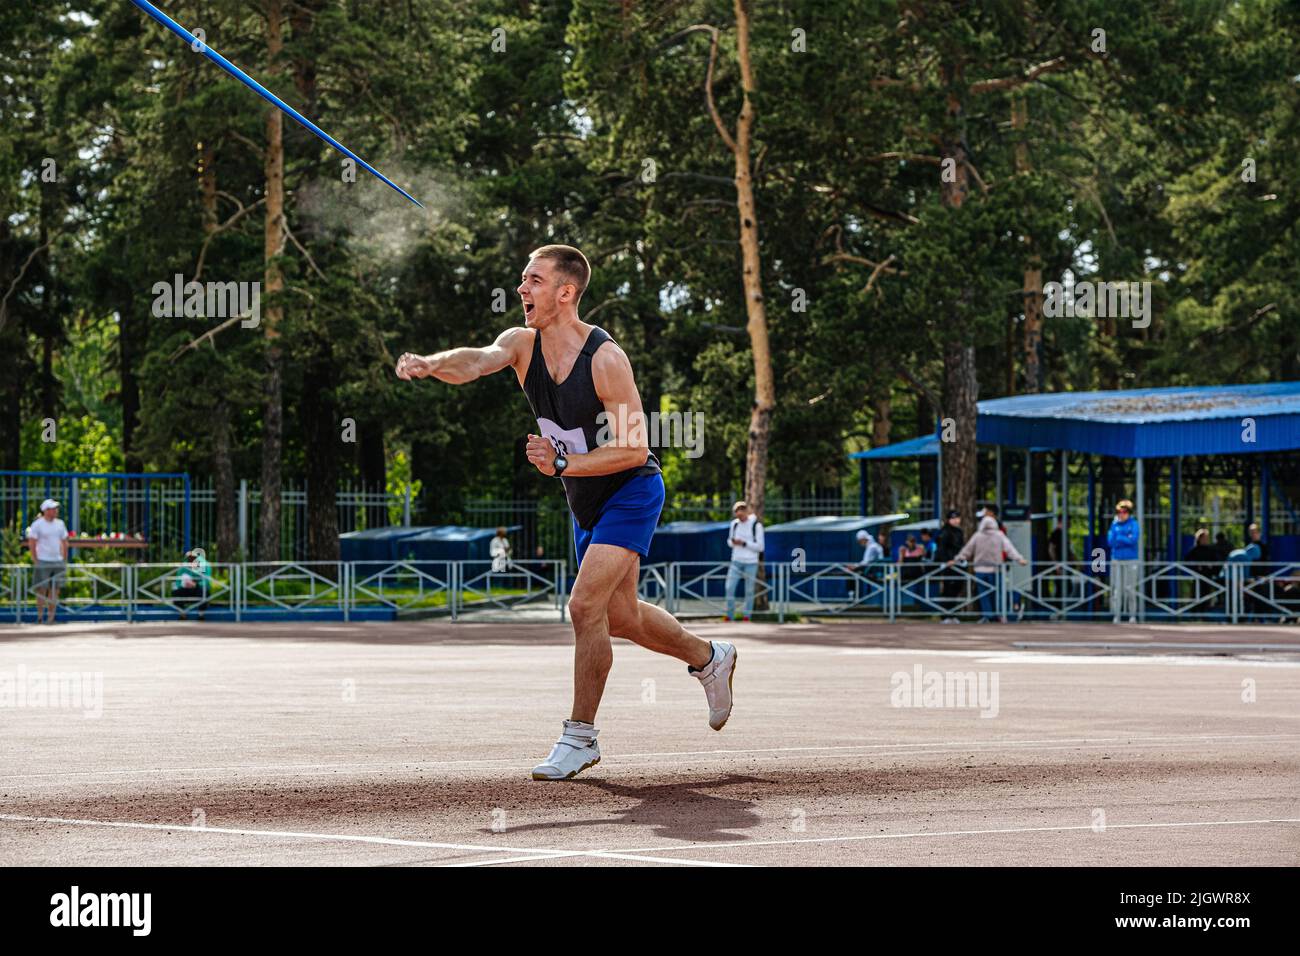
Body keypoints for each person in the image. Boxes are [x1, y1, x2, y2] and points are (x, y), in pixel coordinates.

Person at [395, 244, 734, 781]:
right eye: (522, 280)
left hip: (630, 491)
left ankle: (580, 736)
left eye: (533, 280)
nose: (522, 290)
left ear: (565, 291)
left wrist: (561, 462)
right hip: (585, 497)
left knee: (583, 607)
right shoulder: (521, 343)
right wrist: (430, 364)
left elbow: (632, 448)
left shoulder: (605, 358)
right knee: (620, 616)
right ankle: (709, 656)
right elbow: (477, 362)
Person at [947, 513, 1028, 623]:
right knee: (997, 593)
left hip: (980, 570)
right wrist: (1019, 559)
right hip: (995, 570)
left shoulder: (978, 535)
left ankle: (988, 615)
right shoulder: (999, 535)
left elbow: (967, 550)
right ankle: (998, 615)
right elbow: (1009, 549)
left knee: (984, 594)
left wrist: (956, 560)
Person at [27, 499, 69, 625]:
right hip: (43, 560)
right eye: (52, 508)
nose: (55, 510)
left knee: (55, 590)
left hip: (57, 561)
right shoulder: (38, 524)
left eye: (56, 508)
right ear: (45, 510)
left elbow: (64, 542)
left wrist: (64, 559)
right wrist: (35, 559)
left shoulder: (60, 523)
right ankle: (40, 617)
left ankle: (51, 618)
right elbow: (32, 542)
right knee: (42, 590)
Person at [723, 500, 763, 622]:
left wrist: (744, 543)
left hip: (751, 562)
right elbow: (729, 541)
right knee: (729, 587)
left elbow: (760, 547)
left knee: (749, 590)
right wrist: (733, 542)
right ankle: (730, 615)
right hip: (736, 560)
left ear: (746, 512)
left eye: (741, 514)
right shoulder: (734, 524)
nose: (739, 517)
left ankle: (747, 616)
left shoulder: (756, 525)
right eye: (737, 515)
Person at [1107, 499, 1141, 624]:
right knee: (1117, 589)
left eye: (1124, 511)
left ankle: (1132, 615)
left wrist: (1120, 537)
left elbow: (1133, 540)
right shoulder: (1114, 524)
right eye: (1119, 511)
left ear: (1129, 512)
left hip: (1131, 559)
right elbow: (1111, 542)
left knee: (1130, 589)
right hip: (1116, 559)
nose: (1121, 513)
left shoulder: (1134, 524)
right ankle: (1116, 615)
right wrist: (1124, 537)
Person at [934, 510, 965, 623]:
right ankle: (946, 614)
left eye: (958, 518)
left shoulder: (959, 532)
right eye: (953, 518)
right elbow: (941, 548)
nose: (956, 520)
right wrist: (947, 560)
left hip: (958, 564)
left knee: (956, 589)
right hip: (949, 565)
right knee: (948, 589)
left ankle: (953, 614)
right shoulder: (945, 532)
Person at [1183, 528, 1219, 611]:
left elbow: (1216, 562)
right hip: (1197, 577)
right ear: (1199, 538)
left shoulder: (1211, 549)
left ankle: (1205, 613)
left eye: (1207, 538)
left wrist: (1212, 568)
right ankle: (1195, 613)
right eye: (1204, 538)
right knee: (1196, 594)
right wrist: (1196, 566)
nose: (1206, 540)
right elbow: (1186, 561)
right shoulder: (1194, 550)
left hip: (1207, 576)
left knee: (1206, 595)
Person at [172, 548, 212, 620]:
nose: (191, 560)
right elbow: (178, 581)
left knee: (203, 592)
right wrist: (183, 584)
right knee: (176, 592)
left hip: (199, 588)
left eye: (193, 558)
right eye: (189, 558)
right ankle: (182, 614)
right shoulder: (184, 565)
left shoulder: (204, 565)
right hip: (186, 589)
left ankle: (201, 615)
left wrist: (195, 584)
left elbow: (206, 581)